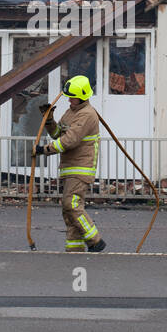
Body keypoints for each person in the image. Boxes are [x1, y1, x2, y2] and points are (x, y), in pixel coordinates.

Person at [35, 75, 107, 252]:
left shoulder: (87, 115)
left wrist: (44, 150)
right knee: (68, 210)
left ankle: (95, 240)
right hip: (69, 167)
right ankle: (74, 248)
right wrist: (49, 119)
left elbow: (69, 141)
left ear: (82, 96)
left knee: (71, 205)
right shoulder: (71, 112)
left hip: (81, 167)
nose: (69, 99)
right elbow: (58, 134)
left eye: (72, 96)